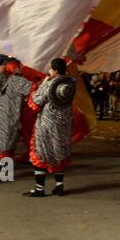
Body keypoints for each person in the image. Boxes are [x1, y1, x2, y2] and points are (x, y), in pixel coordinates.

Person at [25, 59, 79, 197]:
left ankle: (39, 189)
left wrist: (42, 84)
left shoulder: (49, 85)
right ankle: (59, 186)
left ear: (54, 70)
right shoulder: (71, 83)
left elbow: (35, 102)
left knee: (41, 154)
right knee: (59, 153)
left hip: (47, 124)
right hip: (64, 123)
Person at [0, 59, 32, 170]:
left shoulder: (0, 77)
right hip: (9, 115)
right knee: (7, 140)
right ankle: (5, 169)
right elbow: (34, 90)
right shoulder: (18, 81)